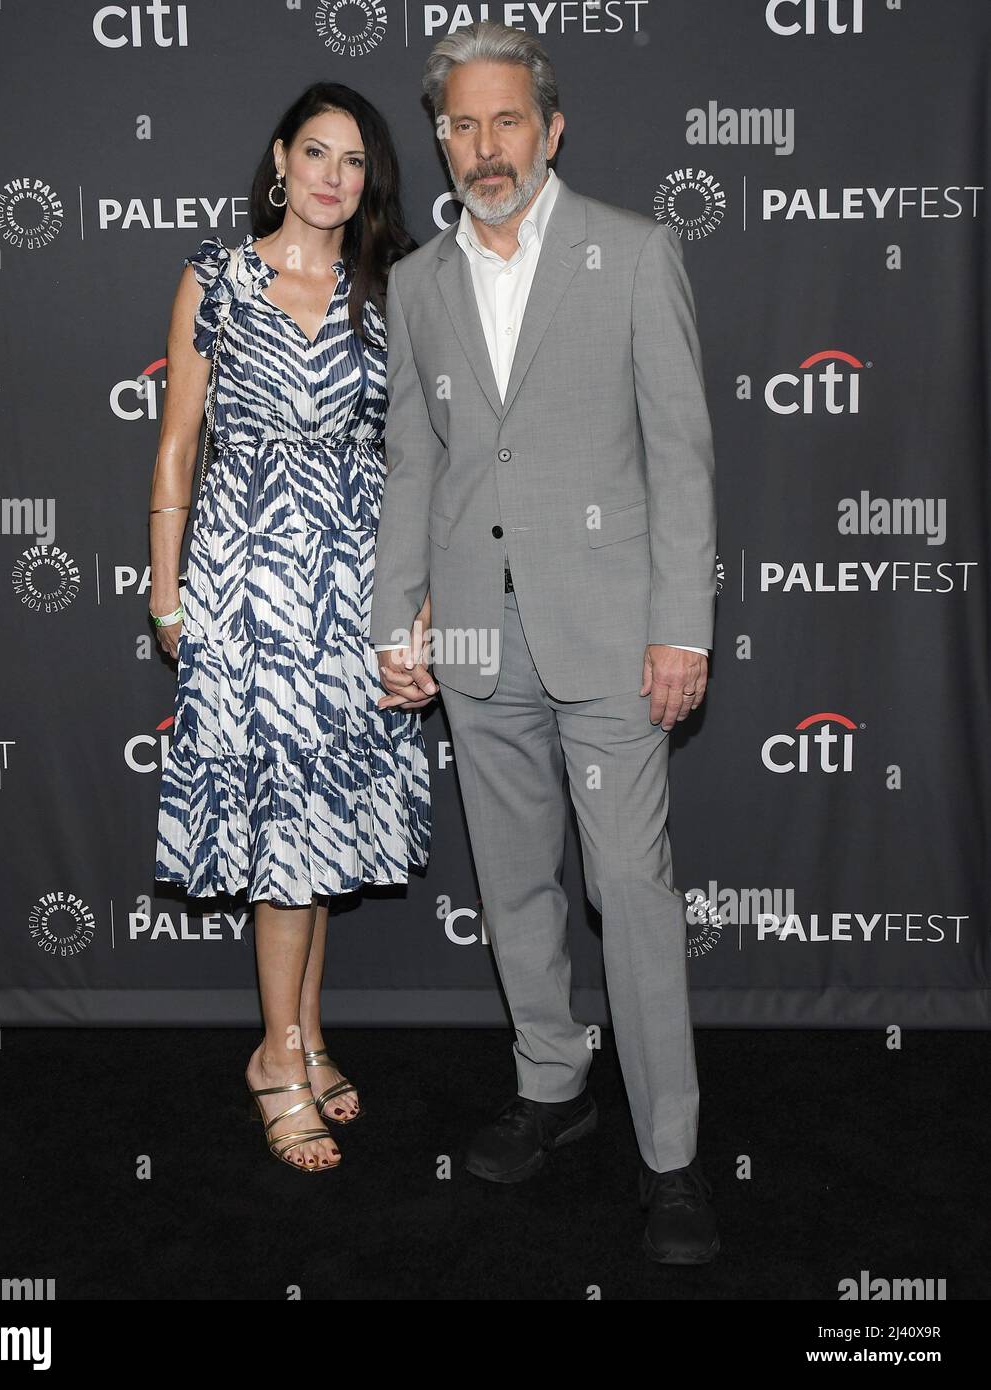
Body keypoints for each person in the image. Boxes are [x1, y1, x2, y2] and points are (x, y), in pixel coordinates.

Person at [371, 22, 719, 1262]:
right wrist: (391, 614)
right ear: (440, 139)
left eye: (504, 120)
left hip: (613, 633)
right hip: (472, 633)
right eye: (460, 125)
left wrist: (682, 625)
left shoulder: (629, 253)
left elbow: (678, 455)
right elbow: (415, 457)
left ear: (549, 127)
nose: (483, 146)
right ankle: (551, 1087)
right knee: (513, 886)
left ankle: (669, 1157)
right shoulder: (415, 281)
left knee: (627, 889)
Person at [149, 85, 431, 1174]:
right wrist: (166, 590)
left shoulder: (391, 291)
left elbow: (415, 464)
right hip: (242, 577)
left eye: (353, 160)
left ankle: (306, 1037)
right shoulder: (214, 278)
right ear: (279, 158)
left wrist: (411, 608)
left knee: (319, 825)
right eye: (315, 152)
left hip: (354, 585)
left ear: (371, 181)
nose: (331, 175)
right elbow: (178, 445)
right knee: (280, 832)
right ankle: (274, 1056)